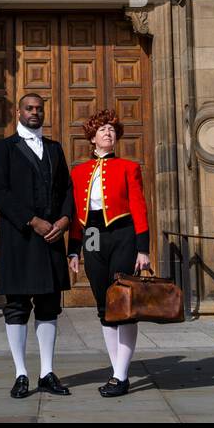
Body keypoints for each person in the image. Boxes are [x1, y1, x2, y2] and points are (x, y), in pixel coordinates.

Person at [0, 93, 74, 399]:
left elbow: (67, 189)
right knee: (17, 307)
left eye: (39, 109)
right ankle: (21, 373)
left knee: (49, 306)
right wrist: (32, 221)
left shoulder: (54, 148)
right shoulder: (4, 148)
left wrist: (63, 221)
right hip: (20, 238)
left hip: (52, 238)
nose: (35, 113)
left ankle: (47, 372)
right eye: (30, 108)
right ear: (19, 113)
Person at [67, 110, 150, 397]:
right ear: (92, 137)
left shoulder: (129, 167)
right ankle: (117, 370)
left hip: (123, 236)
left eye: (112, 130)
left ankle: (121, 375)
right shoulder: (78, 172)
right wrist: (73, 251)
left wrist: (143, 249)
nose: (108, 133)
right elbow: (78, 214)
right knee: (103, 303)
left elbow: (139, 208)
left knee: (122, 301)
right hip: (91, 236)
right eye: (102, 129)